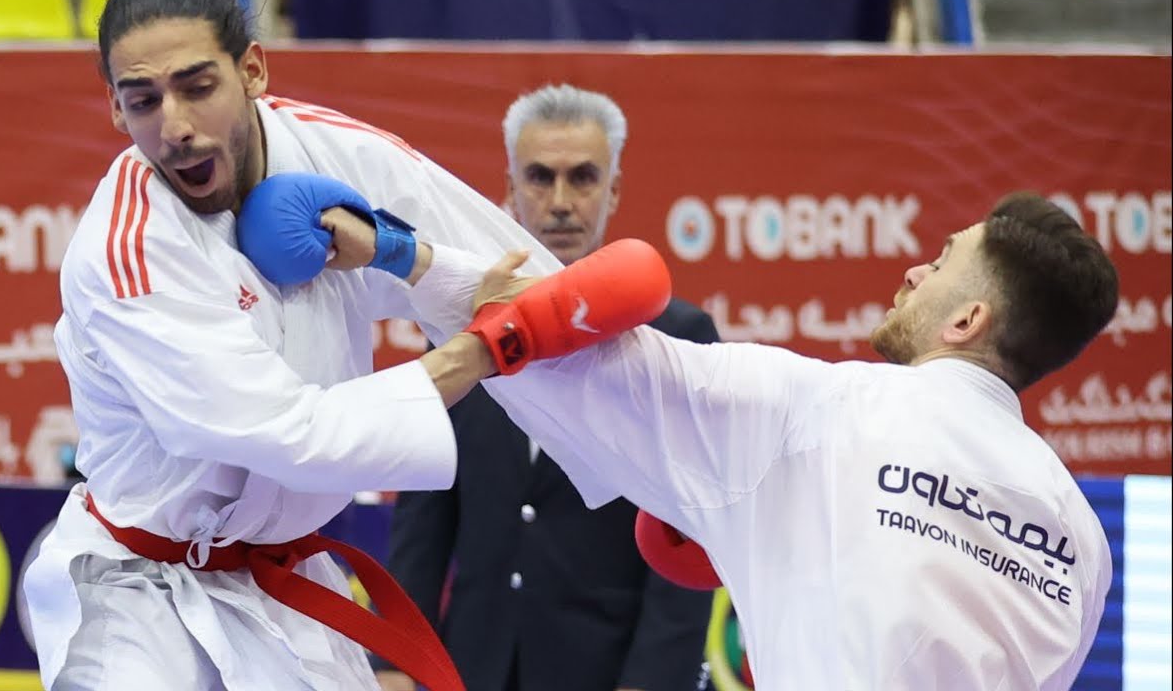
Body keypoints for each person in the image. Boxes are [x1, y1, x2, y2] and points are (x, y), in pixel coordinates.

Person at [18, 0, 655, 689]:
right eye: (143, 101)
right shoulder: (129, 253)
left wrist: (399, 253)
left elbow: (527, 288)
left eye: (198, 87)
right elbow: (295, 436)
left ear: (252, 70)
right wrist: (479, 351)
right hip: (140, 595)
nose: (174, 126)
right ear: (115, 107)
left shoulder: (336, 152)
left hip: (285, 582)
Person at [334, 192, 1117, 689]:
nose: (915, 271)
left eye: (942, 262)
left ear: (967, 320)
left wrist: (398, 252)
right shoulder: (1082, 540)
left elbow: (589, 354)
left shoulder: (825, 411)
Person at [375, 85, 717, 691]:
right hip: (474, 665)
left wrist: (652, 680)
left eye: (582, 178)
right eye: (540, 177)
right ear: (510, 188)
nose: (560, 202)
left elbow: (691, 526)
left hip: (609, 670)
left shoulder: (677, 338)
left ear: (613, 190)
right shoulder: (461, 332)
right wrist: (393, 661)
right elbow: (424, 517)